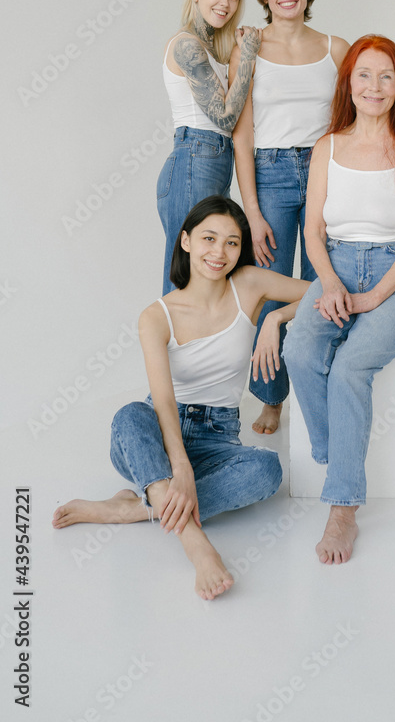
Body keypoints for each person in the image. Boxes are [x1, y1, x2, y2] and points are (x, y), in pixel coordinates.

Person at [52, 197, 310, 599]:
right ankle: (194, 542)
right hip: (154, 439)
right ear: (186, 241)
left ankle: (137, 507)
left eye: (231, 242)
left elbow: (322, 291)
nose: (219, 252)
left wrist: (275, 318)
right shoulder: (156, 316)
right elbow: (164, 402)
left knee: (267, 470)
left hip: (217, 439)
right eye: (209, 238)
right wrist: (180, 466)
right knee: (129, 414)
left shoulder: (249, 285)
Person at [284, 36, 395, 564]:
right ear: (349, 83)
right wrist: (330, 284)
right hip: (338, 265)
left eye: (386, 76)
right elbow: (313, 231)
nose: (375, 87)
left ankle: (343, 509)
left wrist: (374, 296)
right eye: (364, 75)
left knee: (350, 367)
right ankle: (335, 454)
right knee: (299, 350)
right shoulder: (327, 147)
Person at [232, 0, 348, 436]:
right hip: (271, 172)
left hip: (325, 170)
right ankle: (272, 398)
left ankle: (323, 386)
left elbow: (352, 118)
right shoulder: (249, 48)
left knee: (325, 281)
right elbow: (242, 134)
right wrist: (252, 212)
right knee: (272, 284)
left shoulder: (335, 48)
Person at [157, 0, 261, 295]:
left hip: (213, 162)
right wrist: (247, 56)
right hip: (194, 159)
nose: (225, 3)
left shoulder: (213, 50)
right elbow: (225, 117)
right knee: (185, 276)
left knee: (208, 278)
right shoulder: (186, 44)